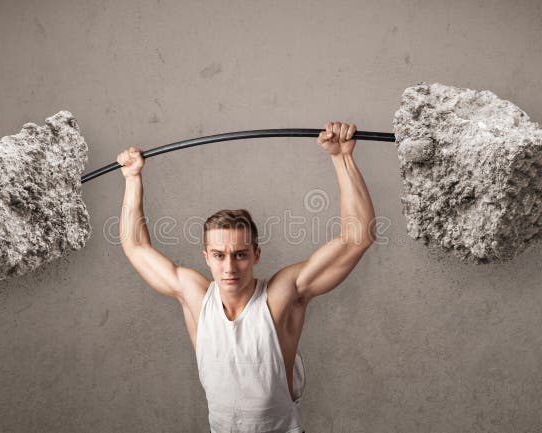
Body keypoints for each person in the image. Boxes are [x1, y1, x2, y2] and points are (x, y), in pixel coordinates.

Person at [117, 122, 375, 433]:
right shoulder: (196, 297)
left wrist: (342, 157)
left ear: (256, 255)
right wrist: (132, 178)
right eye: (219, 255)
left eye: (240, 255)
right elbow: (135, 246)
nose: (229, 267)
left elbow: (356, 238)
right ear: (206, 258)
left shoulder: (281, 296)